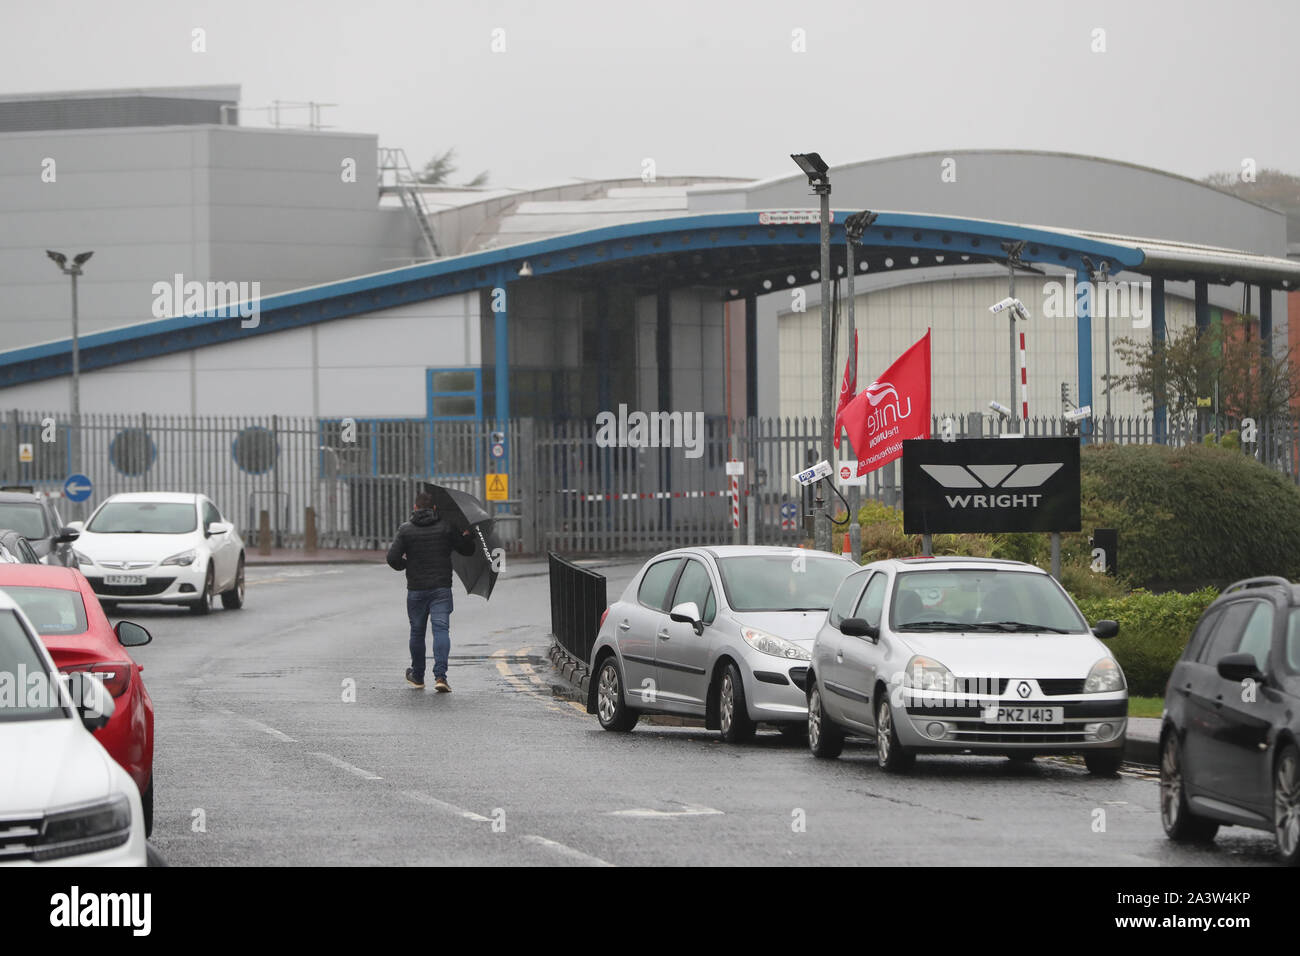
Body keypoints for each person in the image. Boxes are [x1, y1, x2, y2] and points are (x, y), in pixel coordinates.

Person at [387, 491, 475, 692]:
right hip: (441, 588)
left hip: (416, 589)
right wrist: (468, 537)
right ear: (434, 509)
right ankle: (441, 677)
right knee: (441, 630)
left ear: (415, 508)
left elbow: (392, 559)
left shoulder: (406, 530)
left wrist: (406, 564)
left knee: (417, 632)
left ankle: (417, 676)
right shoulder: (446, 527)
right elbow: (466, 550)